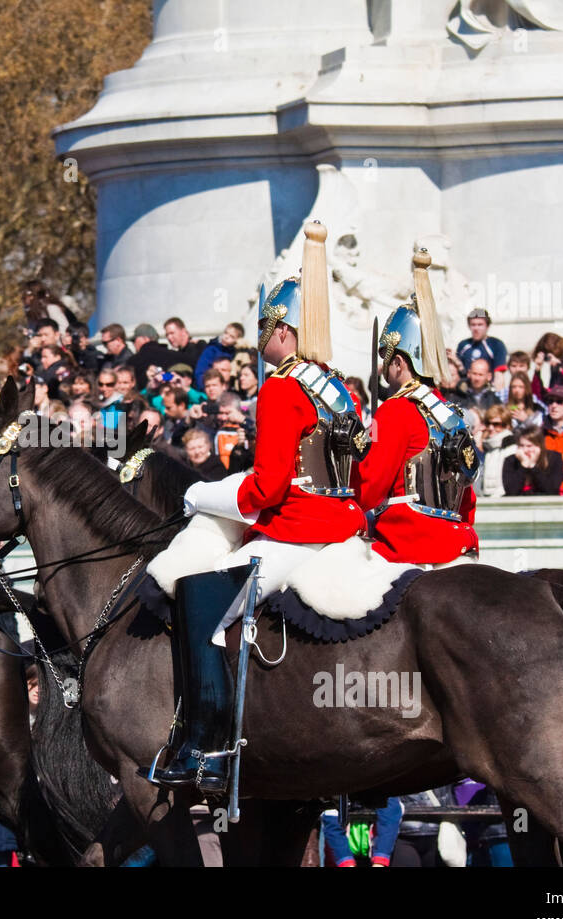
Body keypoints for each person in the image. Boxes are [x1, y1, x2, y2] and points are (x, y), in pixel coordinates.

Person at [150, 221, 368, 793]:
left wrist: (198, 494)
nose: (258, 341)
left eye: (266, 330)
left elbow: (264, 492)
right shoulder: (337, 388)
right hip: (344, 527)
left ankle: (210, 749)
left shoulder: (281, 389)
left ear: (286, 332)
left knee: (200, 600)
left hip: (299, 534)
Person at [357, 249, 479, 564]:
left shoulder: (396, 410)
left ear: (398, 362)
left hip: (408, 543)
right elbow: (468, 496)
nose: (385, 371)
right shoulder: (449, 412)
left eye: (387, 363)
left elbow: (369, 490)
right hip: (457, 540)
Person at [502, 426, 563, 496]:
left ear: (539, 446)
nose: (525, 450)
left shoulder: (554, 458)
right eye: (521, 446)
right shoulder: (511, 460)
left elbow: (551, 490)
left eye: (529, 446)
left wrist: (533, 466)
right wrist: (524, 465)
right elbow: (511, 492)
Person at [475, 405, 515, 499]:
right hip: (486, 499)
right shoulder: (488, 447)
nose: (491, 428)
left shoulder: (512, 448)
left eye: (496, 424)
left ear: (507, 426)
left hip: (504, 500)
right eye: (488, 423)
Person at [454, 307, 508, 372]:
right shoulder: (463, 345)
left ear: (487, 326)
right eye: (473, 325)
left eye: (480, 325)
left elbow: (499, 375)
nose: (476, 328)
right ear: (469, 326)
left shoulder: (496, 344)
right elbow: (458, 372)